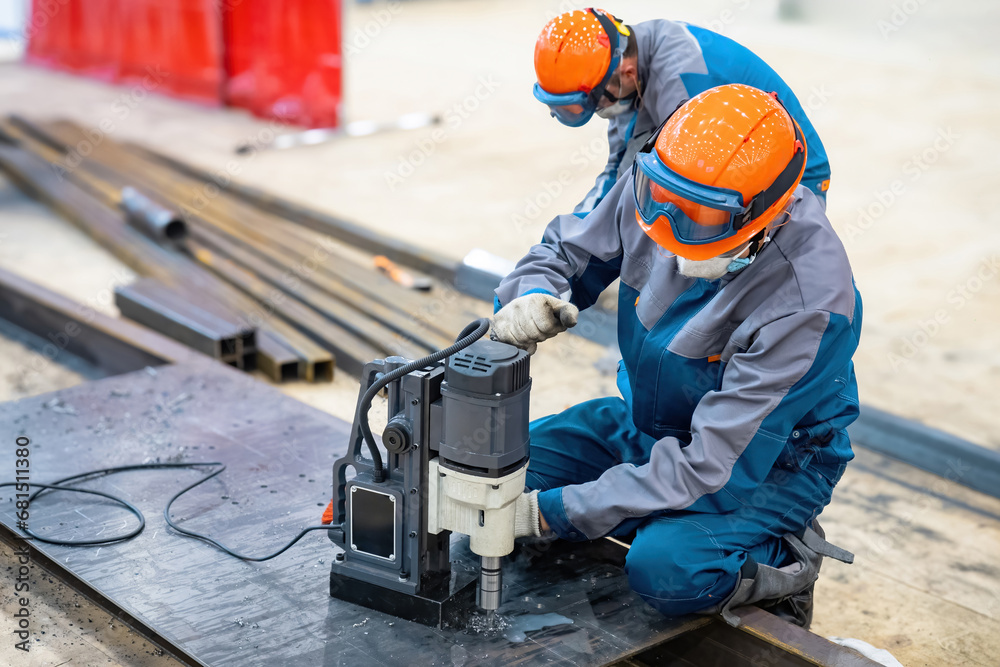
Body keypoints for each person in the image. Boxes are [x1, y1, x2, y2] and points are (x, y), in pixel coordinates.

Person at [493, 84, 861, 628]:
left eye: (699, 217)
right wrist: (528, 292)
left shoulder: (808, 303)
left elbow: (714, 465)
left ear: (760, 216)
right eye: (658, 196)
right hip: (652, 420)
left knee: (667, 567)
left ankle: (780, 560)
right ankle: (643, 508)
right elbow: (569, 250)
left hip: (767, 464)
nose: (663, 229)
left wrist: (556, 515)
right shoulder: (668, 182)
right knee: (507, 473)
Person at [532, 8, 832, 218]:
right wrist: (571, 235)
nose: (601, 111)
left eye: (597, 103)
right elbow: (620, 172)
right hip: (725, 158)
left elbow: (689, 195)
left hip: (792, 177)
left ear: (626, 72)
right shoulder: (629, 65)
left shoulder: (678, 84)